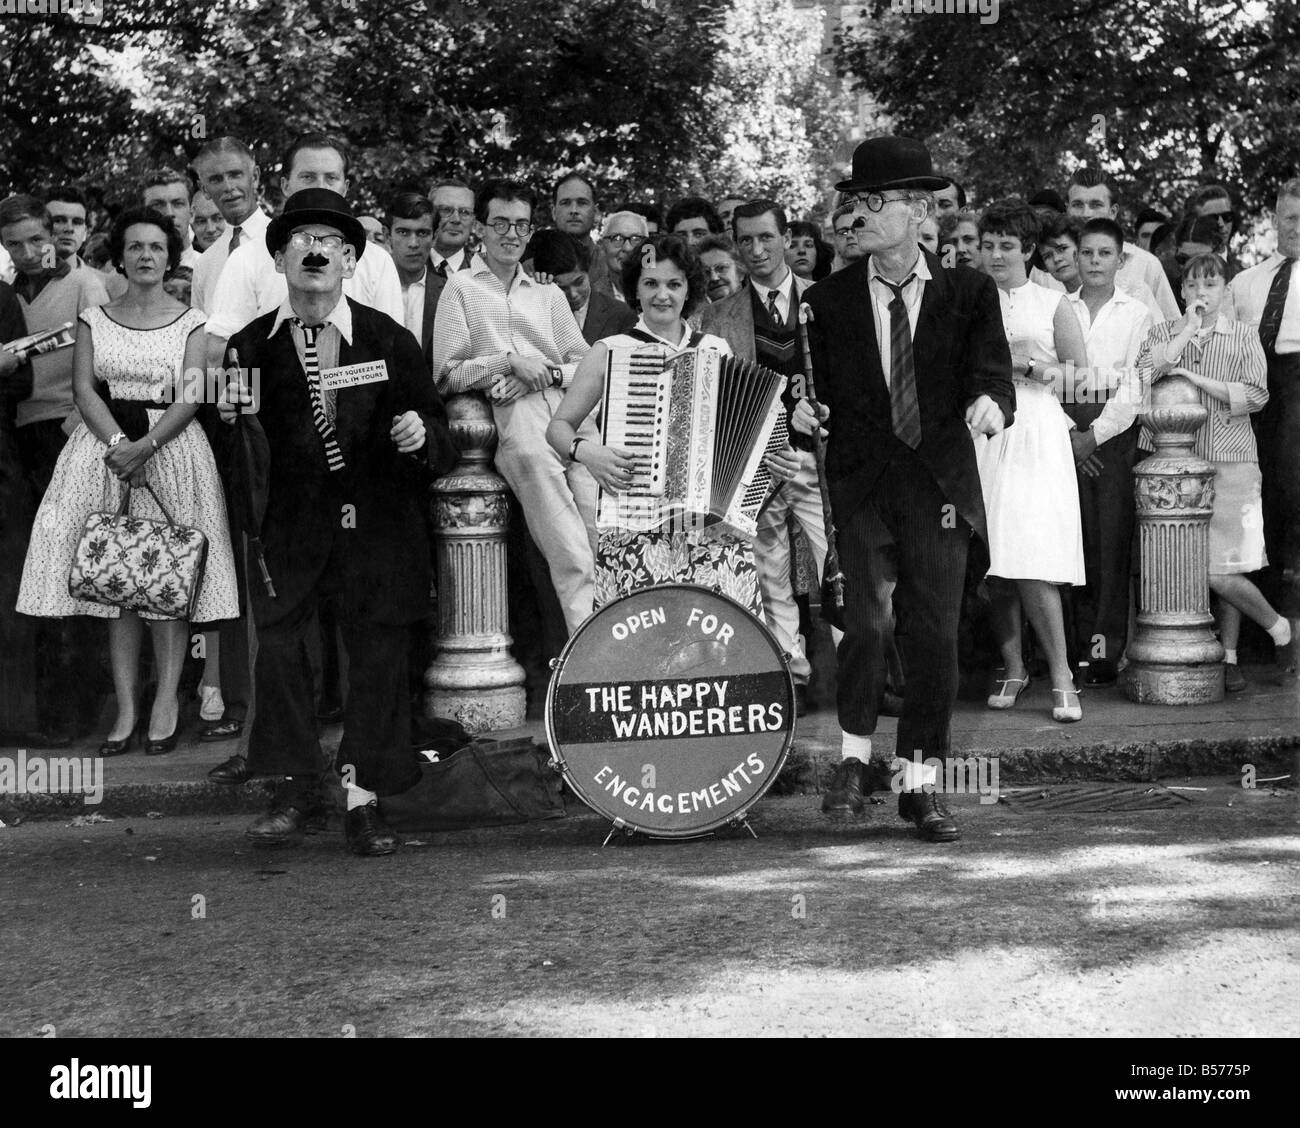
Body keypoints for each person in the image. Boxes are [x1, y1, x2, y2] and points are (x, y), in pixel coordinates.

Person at [215, 188, 457, 855]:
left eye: (330, 242)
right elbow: (233, 453)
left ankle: (361, 801)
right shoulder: (246, 348)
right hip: (290, 529)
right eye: (300, 240)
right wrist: (229, 425)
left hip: (375, 524)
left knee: (377, 661)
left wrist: (419, 433)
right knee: (284, 657)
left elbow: (439, 431)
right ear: (281, 259)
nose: (315, 250)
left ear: (350, 260)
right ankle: (295, 792)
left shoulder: (389, 339)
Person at [795, 137, 1014, 843]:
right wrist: (802, 413)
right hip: (860, 486)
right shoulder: (824, 301)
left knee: (934, 637)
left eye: (876, 200)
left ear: (920, 211)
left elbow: (996, 377)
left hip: (940, 484)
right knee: (864, 623)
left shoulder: (969, 293)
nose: (859, 213)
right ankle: (855, 762)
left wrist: (990, 404)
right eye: (855, 201)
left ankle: (920, 788)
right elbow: (812, 396)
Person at [16, 207, 240, 756]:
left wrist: (149, 445)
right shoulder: (96, 315)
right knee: (117, 584)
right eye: (136, 247)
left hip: (171, 448)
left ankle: (166, 703)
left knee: (166, 579)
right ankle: (126, 707)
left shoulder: (193, 320)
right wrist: (120, 446)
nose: (145, 256)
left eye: (156, 248)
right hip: (104, 451)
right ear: (121, 255)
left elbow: (191, 394)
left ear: (170, 256)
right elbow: (85, 389)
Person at [546, 232, 800, 614]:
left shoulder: (716, 350)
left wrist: (780, 461)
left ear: (689, 290)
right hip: (634, 527)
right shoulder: (610, 351)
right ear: (635, 289)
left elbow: (746, 439)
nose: (662, 295)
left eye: (673, 284)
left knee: (721, 643)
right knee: (641, 646)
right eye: (650, 283)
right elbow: (558, 426)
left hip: (712, 530)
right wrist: (587, 452)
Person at [433, 179, 597, 634]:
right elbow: (446, 373)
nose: (511, 234)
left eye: (521, 225)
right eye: (500, 223)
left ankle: (617, 656)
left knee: (602, 538)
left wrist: (536, 373)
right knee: (570, 551)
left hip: (573, 413)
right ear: (479, 230)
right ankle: (590, 659)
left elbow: (583, 362)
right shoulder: (460, 290)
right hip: (517, 424)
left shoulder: (546, 294)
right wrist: (507, 362)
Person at [701, 199, 824, 714]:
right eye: (745, 240)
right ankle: (790, 673)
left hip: (820, 457)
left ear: (786, 239)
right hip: (757, 462)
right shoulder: (718, 315)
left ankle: (863, 669)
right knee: (767, 567)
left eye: (765, 238)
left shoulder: (826, 300)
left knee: (838, 561)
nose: (755, 250)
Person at [1140, 253, 1283, 690]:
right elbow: (1147, 373)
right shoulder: (1162, 331)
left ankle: (1232, 656)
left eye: (1211, 285)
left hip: (1230, 457)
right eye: (1193, 285)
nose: (1202, 294)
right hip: (1169, 461)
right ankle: (1279, 630)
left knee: (1225, 563)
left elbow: (1257, 394)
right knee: (1190, 559)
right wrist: (1186, 331)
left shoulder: (1243, 335)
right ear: (1181, 290)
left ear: (1225, 290)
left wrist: (1198, 381)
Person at [976, 198, 1089, 722]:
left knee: (1034, 556)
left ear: (1027, 249)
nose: (995, 255)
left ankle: (1063, 673)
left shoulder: (1052, 303)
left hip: (1037, 434)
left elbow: (1084, 382)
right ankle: (1014, 665)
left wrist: (1037, 366)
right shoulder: (967, 300)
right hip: (983, 432)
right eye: (988, 245)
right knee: (994, 560)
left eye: (1006, 246)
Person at [2, 193, 111, 742]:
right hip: (20, 441)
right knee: (34, 577)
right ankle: (45, 711)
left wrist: (77, 426)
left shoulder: (84, 283)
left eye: (34, 238)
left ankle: (87, 710)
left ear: (53, 233)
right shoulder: (10, 294)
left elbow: (105, 358)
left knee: (79, 570)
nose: (26, 251)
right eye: (13, 242)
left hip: (69, 432)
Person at [1062, 217, 1152, 685]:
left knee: (1109, 547)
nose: (1095, 261)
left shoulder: (1136, 314)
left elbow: (1134, 386)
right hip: (1062, 432)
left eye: (1104, 254)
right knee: (1069, 545)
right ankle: (1066, 654)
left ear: (1120, 259)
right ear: (1075, 258)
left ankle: (1102, 654)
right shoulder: (1062, 307)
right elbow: (1053, 377)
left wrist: (1093, 438)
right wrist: (1069, 434)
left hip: (1113, 440)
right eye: (1087, 253)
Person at [1229, 178, 1300, 654]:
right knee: (1258, 512)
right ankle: (1258, 639)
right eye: (1291, 217)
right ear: (1274, 219)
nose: (1298, 227)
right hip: (1255, 401)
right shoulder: (1245, 282)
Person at [1065, 168, 1179, 319]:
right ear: (1067, 209)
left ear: (1113, 211)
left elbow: (1172, 328)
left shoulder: (1145, 264)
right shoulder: (1048, 266)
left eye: (1095, 205)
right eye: (1078, 205)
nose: (1086, 213)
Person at [0, 282, 37, 739]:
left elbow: (21, 380)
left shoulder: (1, 299)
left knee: (9, 591)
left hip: (2, 455)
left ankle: (13, 723)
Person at [190, 136, 269, 315]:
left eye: (235, 174)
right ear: (204, 189)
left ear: (255, 177)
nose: (228, 186)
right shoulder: (205, 264)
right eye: (216, 179)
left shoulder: (284, 243)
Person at [527, 228, 635, 344]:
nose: (573, 294)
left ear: (589, 272)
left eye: (579, 282)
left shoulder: (621, 314)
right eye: (562, 288)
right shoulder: (534, 311)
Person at [385, 191, 439, 366]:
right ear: (387, 236)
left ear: (434, 237)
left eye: (422, 233)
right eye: (403, 232)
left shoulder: (449, 292)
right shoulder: (367, 288)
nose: (413, 243)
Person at [142, 169, 200, 270]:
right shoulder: (121, 279)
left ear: (192, 213)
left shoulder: (217, 271)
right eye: (158, 205)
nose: (169, 213)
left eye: (178, 204)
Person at [595, 210, 648, 303]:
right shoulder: (591, 295)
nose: (627, 248)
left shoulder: (660, 293)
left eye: (636, 239)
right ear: (603, 246)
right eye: (617, 238)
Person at [429, 178, 476, 275]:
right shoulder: (400, 268)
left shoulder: (485, 274)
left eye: (465, 212)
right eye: (445, 210)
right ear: (428, 214)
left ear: (473, 220)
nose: (456, 220)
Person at [47, 187, 91, 268]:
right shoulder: (18, 279)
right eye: (58, 220)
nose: (69, 229)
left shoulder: (101, 280)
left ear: (85, 232)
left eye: (77, 222)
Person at [697, 233, 746, 302]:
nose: (714, 278)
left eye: (721, 268)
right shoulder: (701, 312)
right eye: (706, 272)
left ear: (740, 272)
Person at [830, 203, 865, 271]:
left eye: (855, 229)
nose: (849, 235)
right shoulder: (829, 281)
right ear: (835, 240)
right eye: (843, 232)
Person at [190, 188, 225, 254]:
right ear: (192, 227)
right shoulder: (190, 263)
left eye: (218, 218)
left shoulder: (248, 260)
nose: (210, 229)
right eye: (201, 221)